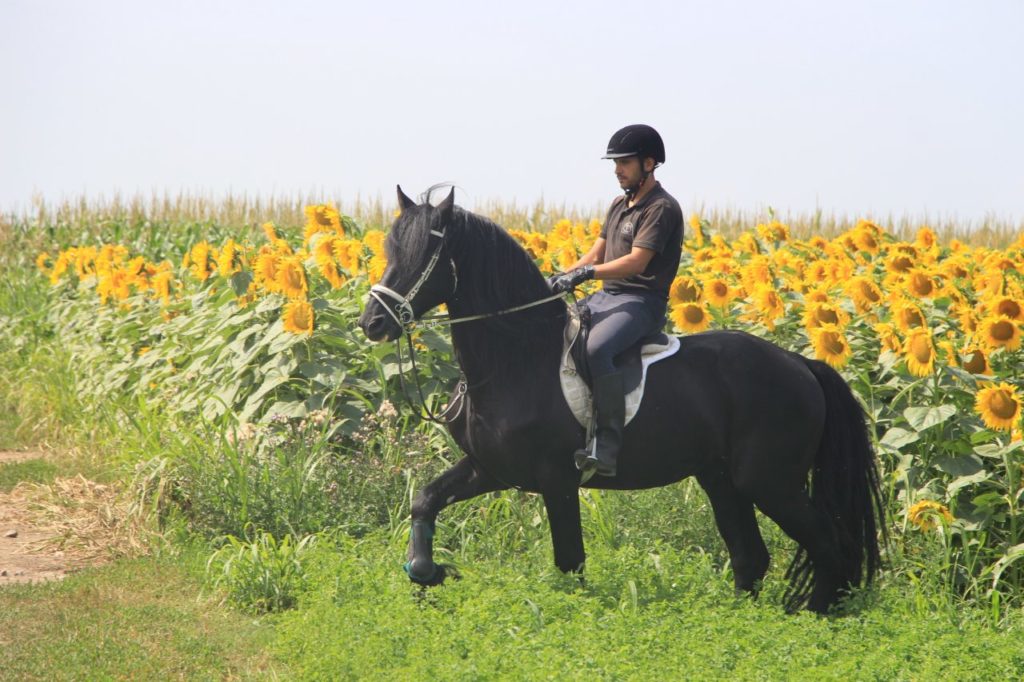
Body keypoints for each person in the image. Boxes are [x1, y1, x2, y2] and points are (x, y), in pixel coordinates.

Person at [549, 124, 683, 477]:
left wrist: (586, 276)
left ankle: (606, 445)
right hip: (608, 297)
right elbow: (597, 253)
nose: (617, 169)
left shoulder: (661, 208)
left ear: (649, 163)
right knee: (557, 331)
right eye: (615, 163)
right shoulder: (619, 205)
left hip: (642, 302)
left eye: (624, 162)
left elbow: (637, 262)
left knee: (596, 349)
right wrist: (563, 275)